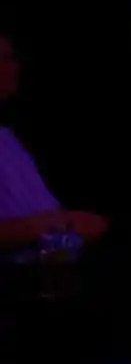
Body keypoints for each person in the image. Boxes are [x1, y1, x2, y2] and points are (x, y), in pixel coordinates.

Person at [0, 34, 108, 248]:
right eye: (5, 59)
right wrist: (55, 223)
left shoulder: (8, 140)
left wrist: (67, 223)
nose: (15, 66)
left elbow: (45, 212)